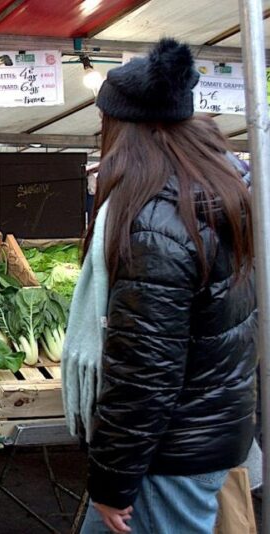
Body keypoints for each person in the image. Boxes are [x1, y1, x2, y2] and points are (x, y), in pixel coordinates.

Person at [78, 39, 256, 533]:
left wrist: (113, 484)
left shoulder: (156, 221)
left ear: (127, 131)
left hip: (169, 454)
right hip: (205, 431)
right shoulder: (217, 190)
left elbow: (144, 372)